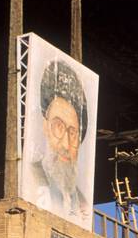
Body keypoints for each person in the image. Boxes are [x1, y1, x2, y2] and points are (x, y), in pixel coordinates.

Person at [27, 56, 92, 226]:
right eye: (58, 127)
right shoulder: (31, 178)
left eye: (72, 133)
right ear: (45, 127)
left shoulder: (82, 203)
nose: (65, 144)